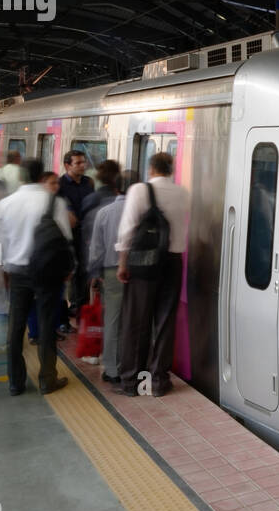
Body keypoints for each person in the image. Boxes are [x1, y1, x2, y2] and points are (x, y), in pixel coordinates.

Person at [115, 152, 191, 397]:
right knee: (165, 321)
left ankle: (131, 381)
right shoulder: (183, 193)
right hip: (173, 262)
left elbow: (127, 230)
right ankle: (158, 380)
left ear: (151, 169)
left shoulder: (139, 190)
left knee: (136, 321)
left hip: (144, 262)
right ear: (171, 169)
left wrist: (122, 263)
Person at [0, 159, 71, 395]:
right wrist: (69, 270)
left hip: (16, 272)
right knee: (47, 326)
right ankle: (48, 379)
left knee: (16, 327)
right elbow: (65, 239)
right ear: (41, 176)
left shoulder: (4, 204)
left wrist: (0, 271)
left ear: (22, 176)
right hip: (48, 272)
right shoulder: (53, 201)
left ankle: (15, 382)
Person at [89, 170, 133, 385]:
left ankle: (113, 370)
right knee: (137, 319)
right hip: (138, 272)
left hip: (110, 272)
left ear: (115, 189)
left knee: (113, 320)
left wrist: (95, 274)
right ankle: (135, 365)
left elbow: (96, 248)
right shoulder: (142, 211)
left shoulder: (105, 213)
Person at [58, 150, 95, 320]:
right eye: (78, 163)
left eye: (83, 162)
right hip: (66, 234)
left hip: (85, 233)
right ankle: (67, 308)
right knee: (68, 269)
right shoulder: (60, 185)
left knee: (83, 269)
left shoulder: (89, 183)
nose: (83, 166)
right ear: (67, 166)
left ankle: (80, 305)